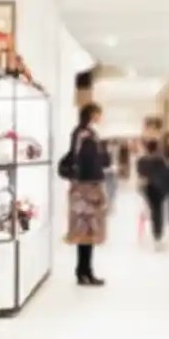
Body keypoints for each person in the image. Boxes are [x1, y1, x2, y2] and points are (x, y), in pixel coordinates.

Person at [64, 103, 109, 286]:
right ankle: (84, 271)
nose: (100, 117)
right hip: (86, 188)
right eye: (99, 114)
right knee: (86, 230)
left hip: (84, 187)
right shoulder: (85, 135)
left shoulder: (83, 134)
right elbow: (91, 161)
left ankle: (85, 271)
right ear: (92, 114)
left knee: (87, 231)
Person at [136, 139, 169, 250]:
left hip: (147, 188)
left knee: (151, 210)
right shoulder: (160, 160)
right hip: (158, 189)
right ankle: (157, 237)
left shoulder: (142, 160)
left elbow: (140, 173)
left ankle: (149, 234)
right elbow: (166, 174)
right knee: (158, 212)